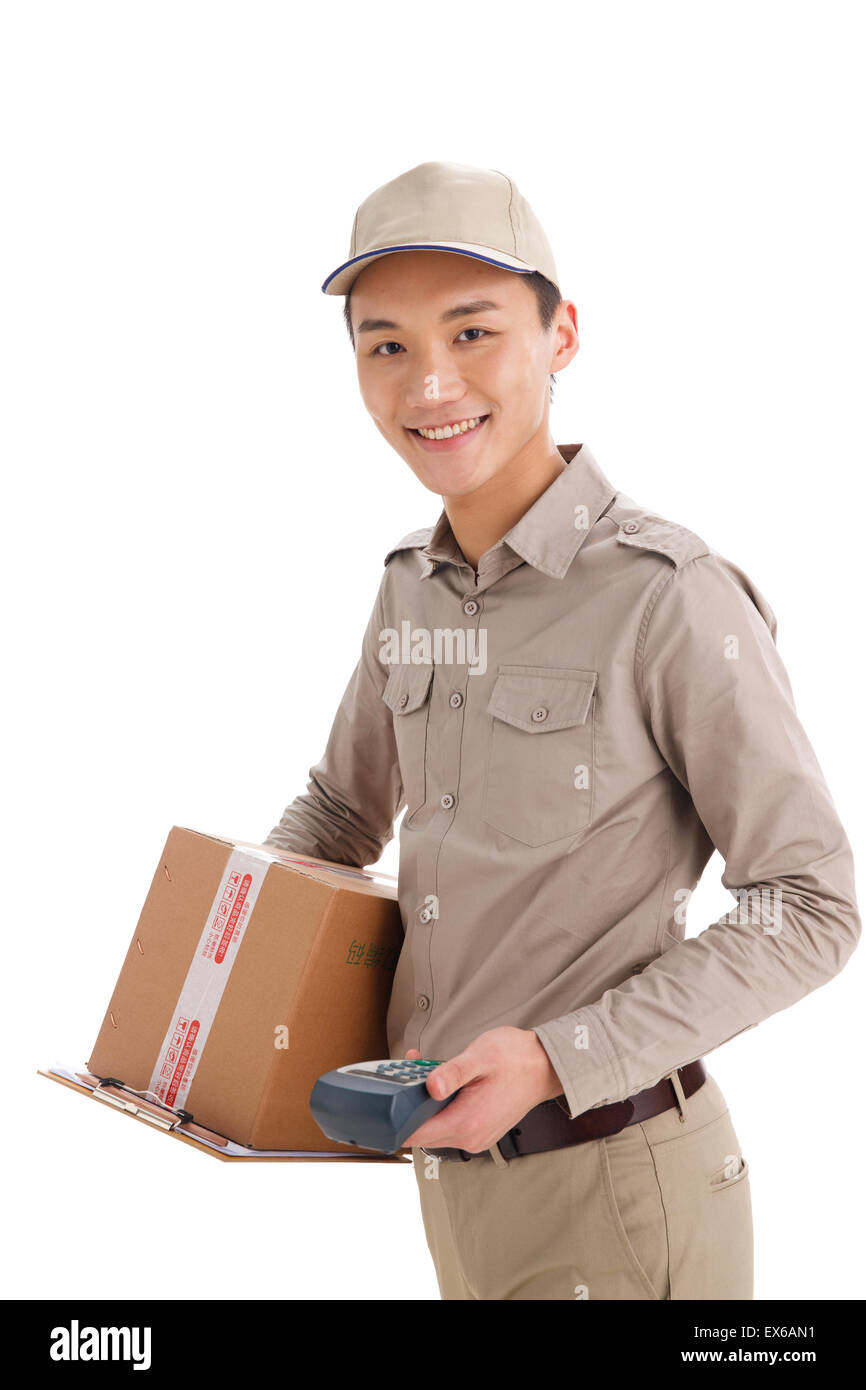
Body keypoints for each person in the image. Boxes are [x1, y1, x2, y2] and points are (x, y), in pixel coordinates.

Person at [263, 160, 861, 1300]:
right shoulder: (410, 591)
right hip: (456, 1187)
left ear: (561, 335)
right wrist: (213, 983)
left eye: (474, 332)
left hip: (622, 1190)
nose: (430, 382)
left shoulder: (665, 594)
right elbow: (339, 817)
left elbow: (810, 903)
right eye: (385, 344)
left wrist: (554, 1057)